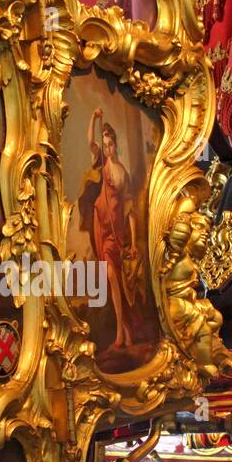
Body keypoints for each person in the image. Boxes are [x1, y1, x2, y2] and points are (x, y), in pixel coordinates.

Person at [78, 107, 143, 350]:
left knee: (120, 285)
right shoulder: (103, 164)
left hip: (119, 233)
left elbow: (130, 211)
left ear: (116, 145)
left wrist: (134, 243)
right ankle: (119, 331)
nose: (108, 149)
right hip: (102, 229)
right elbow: (90, 141)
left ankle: (125, 331)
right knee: (112, 279)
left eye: (111, 145)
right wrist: (95, 118)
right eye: (105, 146)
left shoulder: (123, 173)